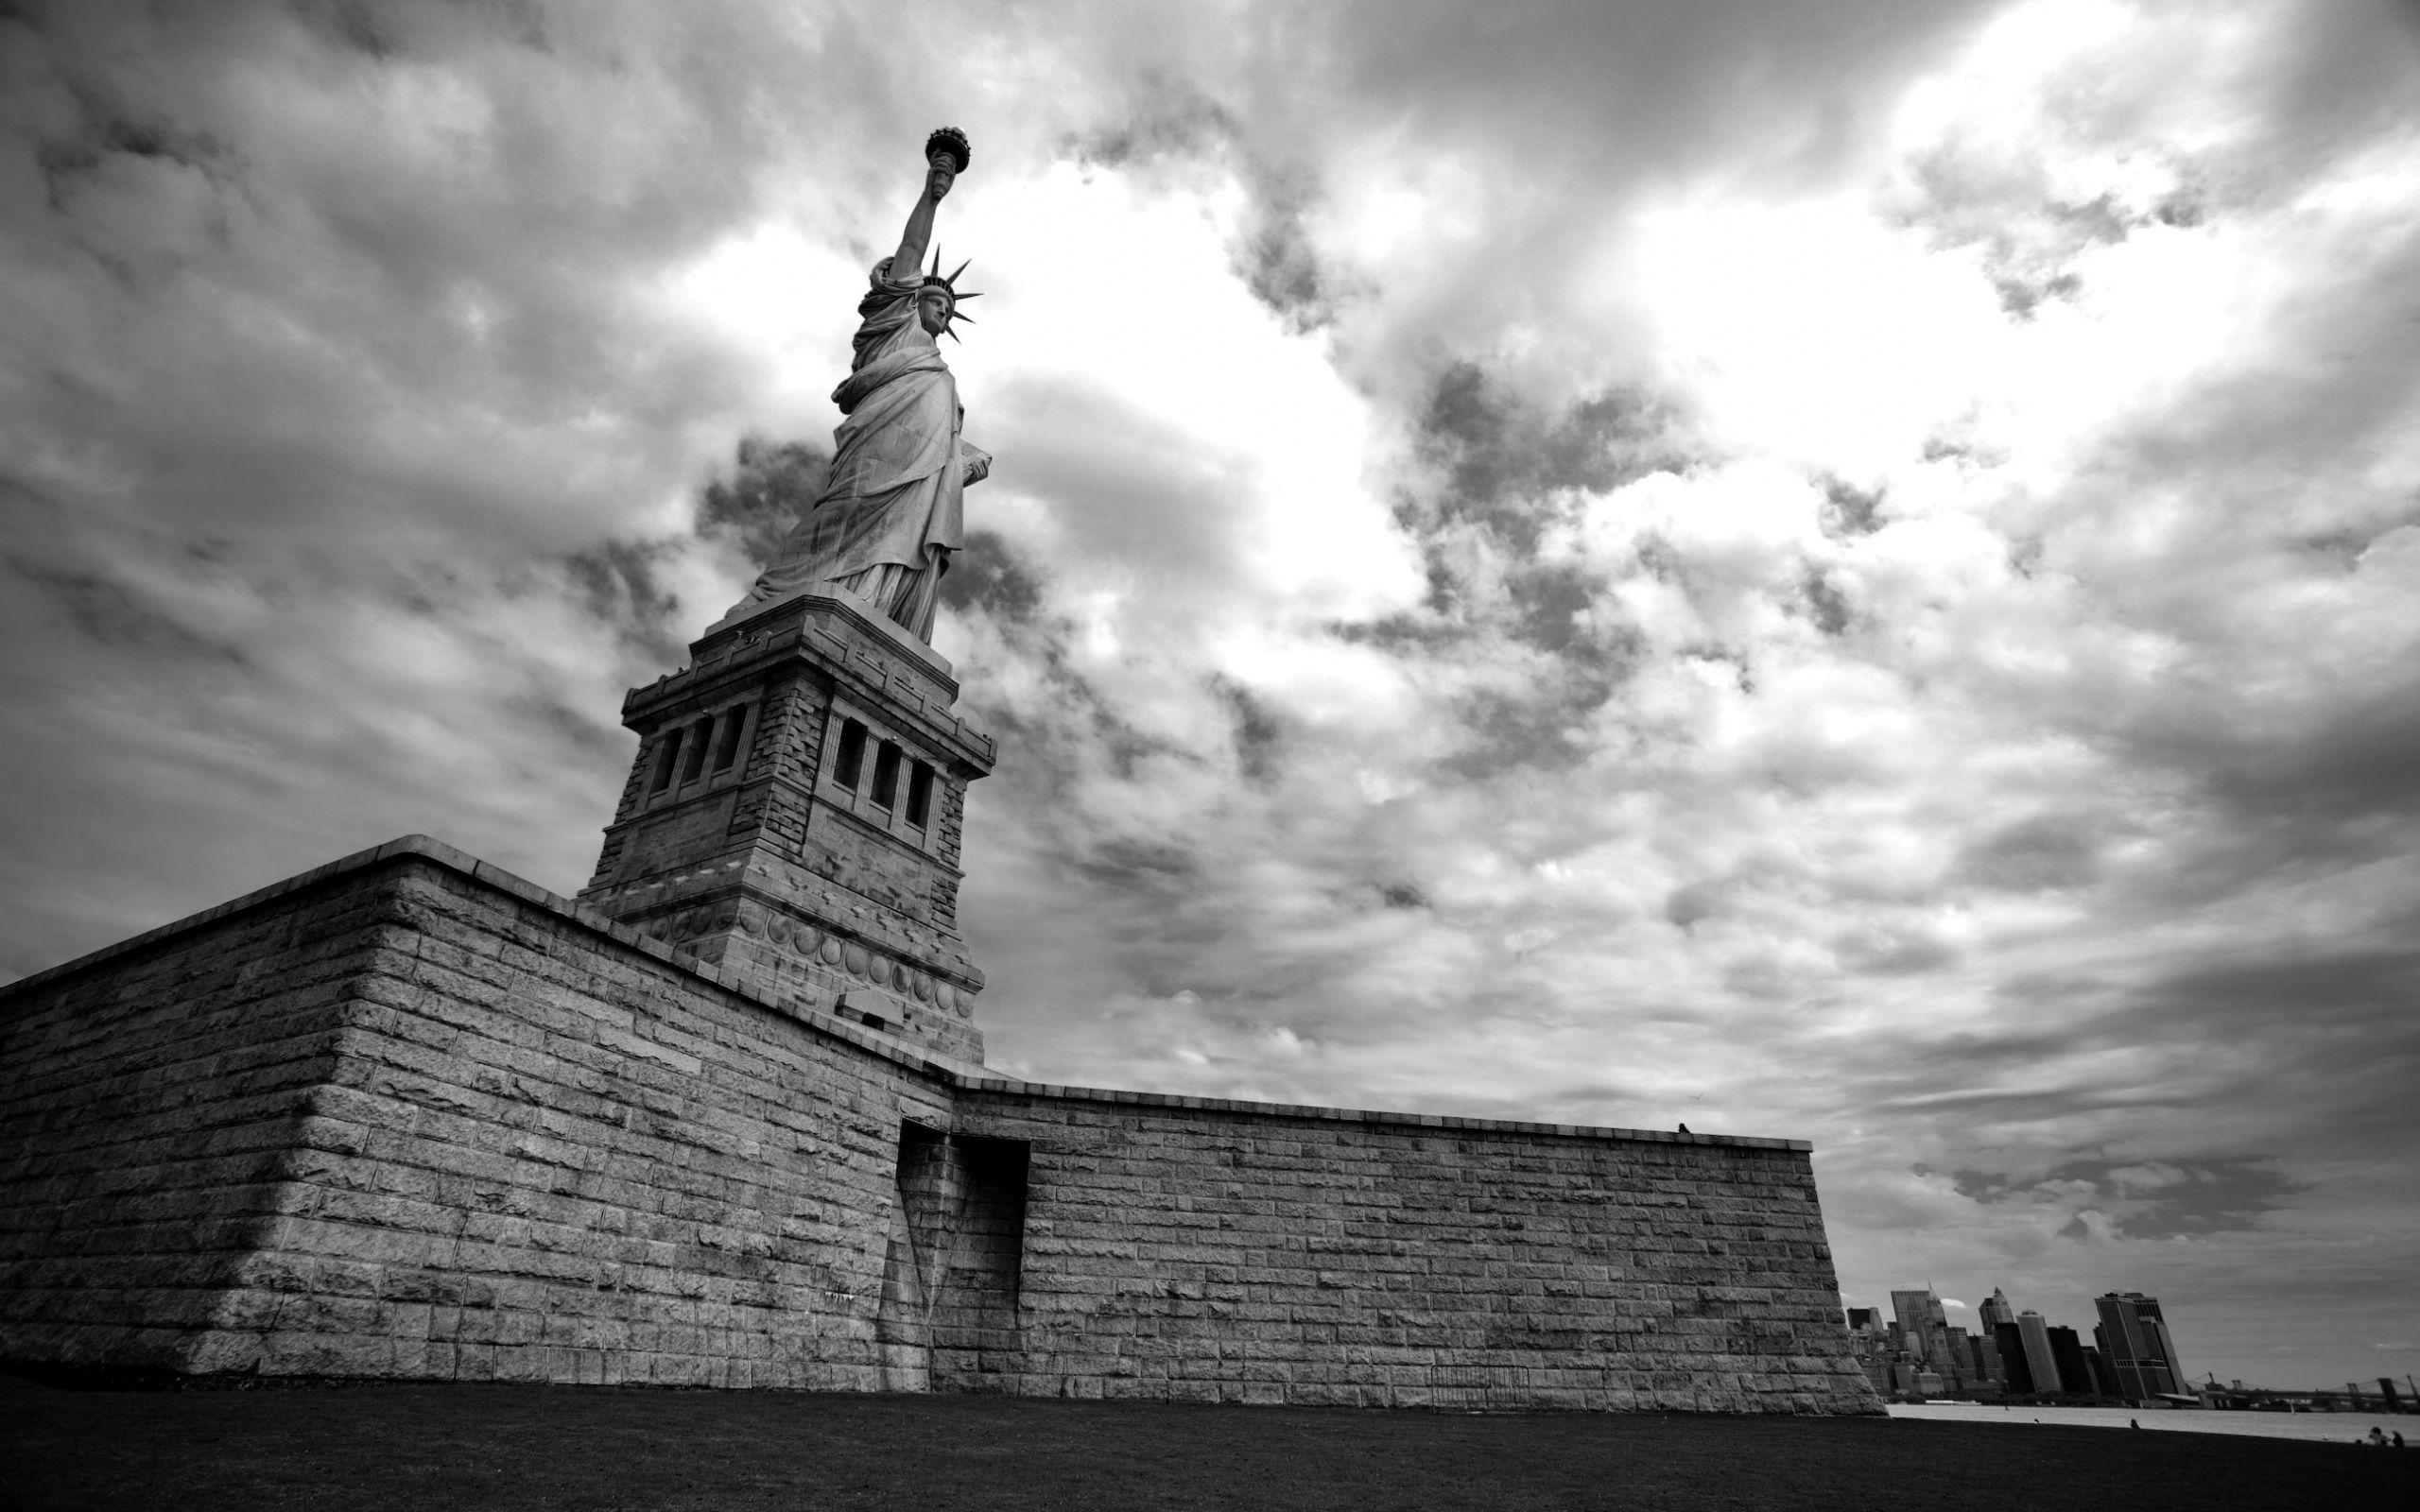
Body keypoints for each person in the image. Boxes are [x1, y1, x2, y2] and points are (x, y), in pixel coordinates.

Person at [714, 129, 989, 644]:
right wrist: (932, 193)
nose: (944, 311)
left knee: (904, 532)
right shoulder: (894, 328)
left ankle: (875, 610)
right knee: (847, 510)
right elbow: (911, 248)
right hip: (876, 447)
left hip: (921, 469)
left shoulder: (940, 374)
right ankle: (778, 597)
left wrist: (962, 461)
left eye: (950, 309)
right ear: (911, 300)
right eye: (936, 301)